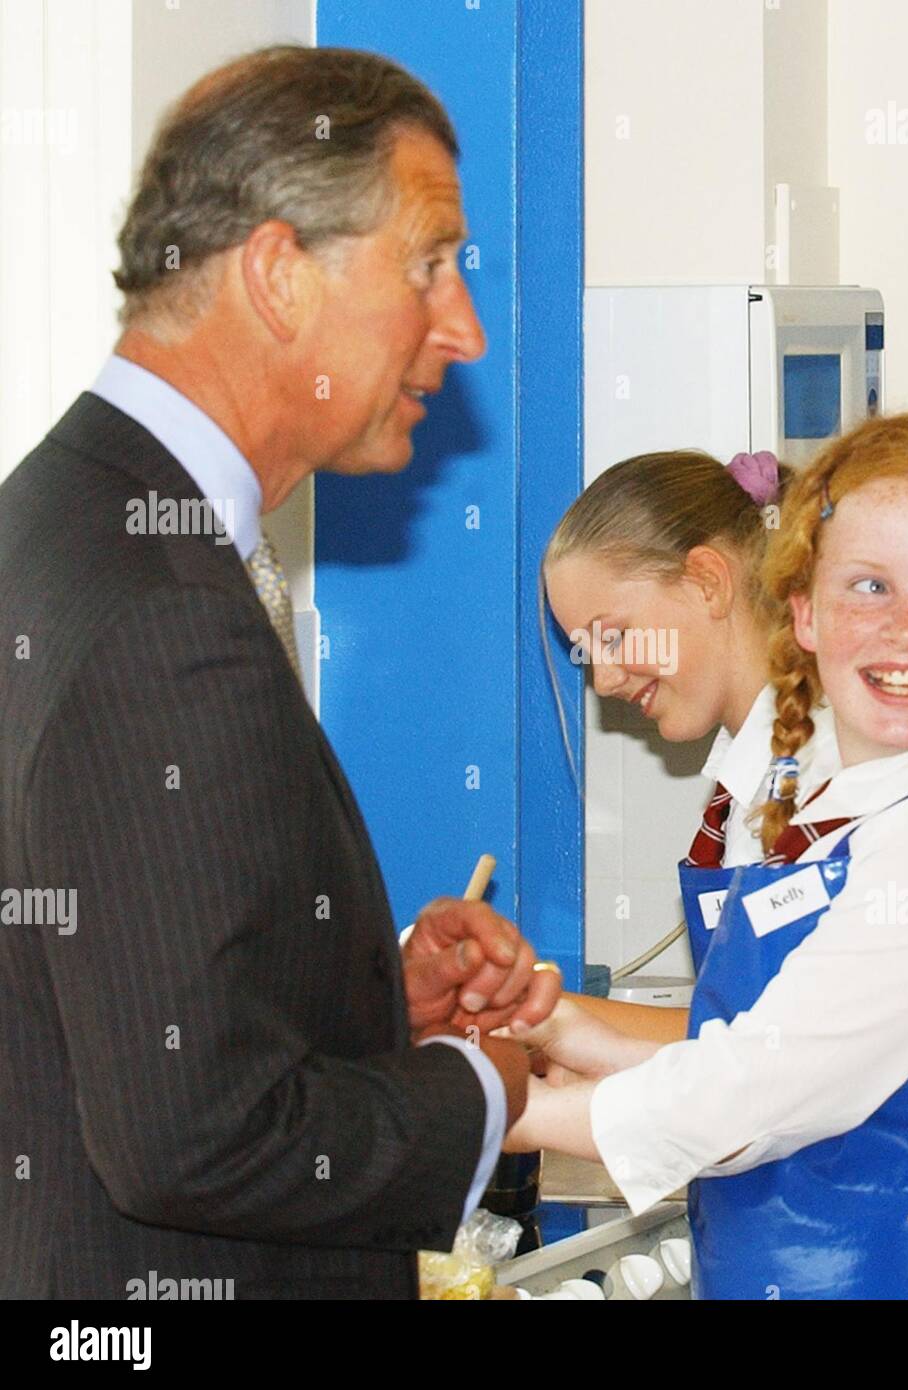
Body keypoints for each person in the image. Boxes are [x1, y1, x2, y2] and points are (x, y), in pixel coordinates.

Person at [0, 45, 558, 1300]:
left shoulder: (57, 518)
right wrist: (485, 1087)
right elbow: (191, 1137)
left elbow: (106, 991)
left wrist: (359, 1000)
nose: (462, 330)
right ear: (277, 273)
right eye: (428, 265)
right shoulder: (159, 613)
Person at [505, 413, 908, 1300]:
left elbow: (757, 1096)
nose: (907, 630)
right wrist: (565, 1031)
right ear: (806, 612)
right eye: (868, 587)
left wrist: (495, 1114)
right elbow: (766, 1052)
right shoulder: (879, 805)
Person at [542, 448, 839, 1045]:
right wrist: (534, 1015)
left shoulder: (824, 777)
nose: (603, 681)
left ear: (707, 582)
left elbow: (785, 1063)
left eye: (615, 637)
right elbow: (735, 1035)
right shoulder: (749, 782)